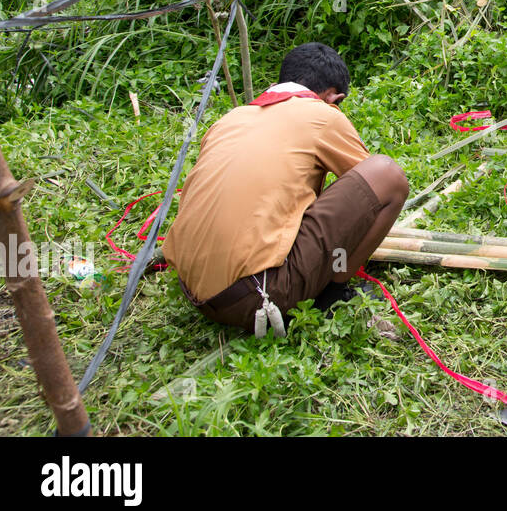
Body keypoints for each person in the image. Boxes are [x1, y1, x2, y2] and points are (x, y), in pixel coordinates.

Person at [164, 42, 409, 330]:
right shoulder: (322, 115)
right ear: (333, 97)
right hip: (257, 299)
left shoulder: (230, 119)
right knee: (388, 176)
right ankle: (332, 293)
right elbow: (370, 192)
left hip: (194, 292)